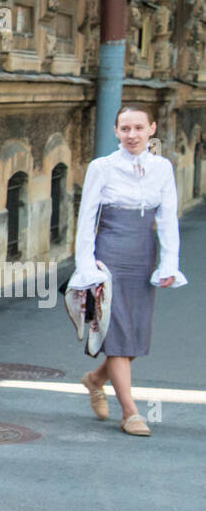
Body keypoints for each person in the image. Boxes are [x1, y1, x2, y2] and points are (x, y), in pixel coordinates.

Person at [73, 105, 186, 436]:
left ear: (151, 129)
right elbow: (86, 219)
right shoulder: (102, 168)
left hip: (142, 257)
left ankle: (95, 379)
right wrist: (85, 264)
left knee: (134, 336)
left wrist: (169, 263)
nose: (132, 135)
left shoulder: (162, 168)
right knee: (118, 334)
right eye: (125, 128)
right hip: (108, 256)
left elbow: (167, 218)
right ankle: (131, 412)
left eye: (138, 128)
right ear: (116, 131)